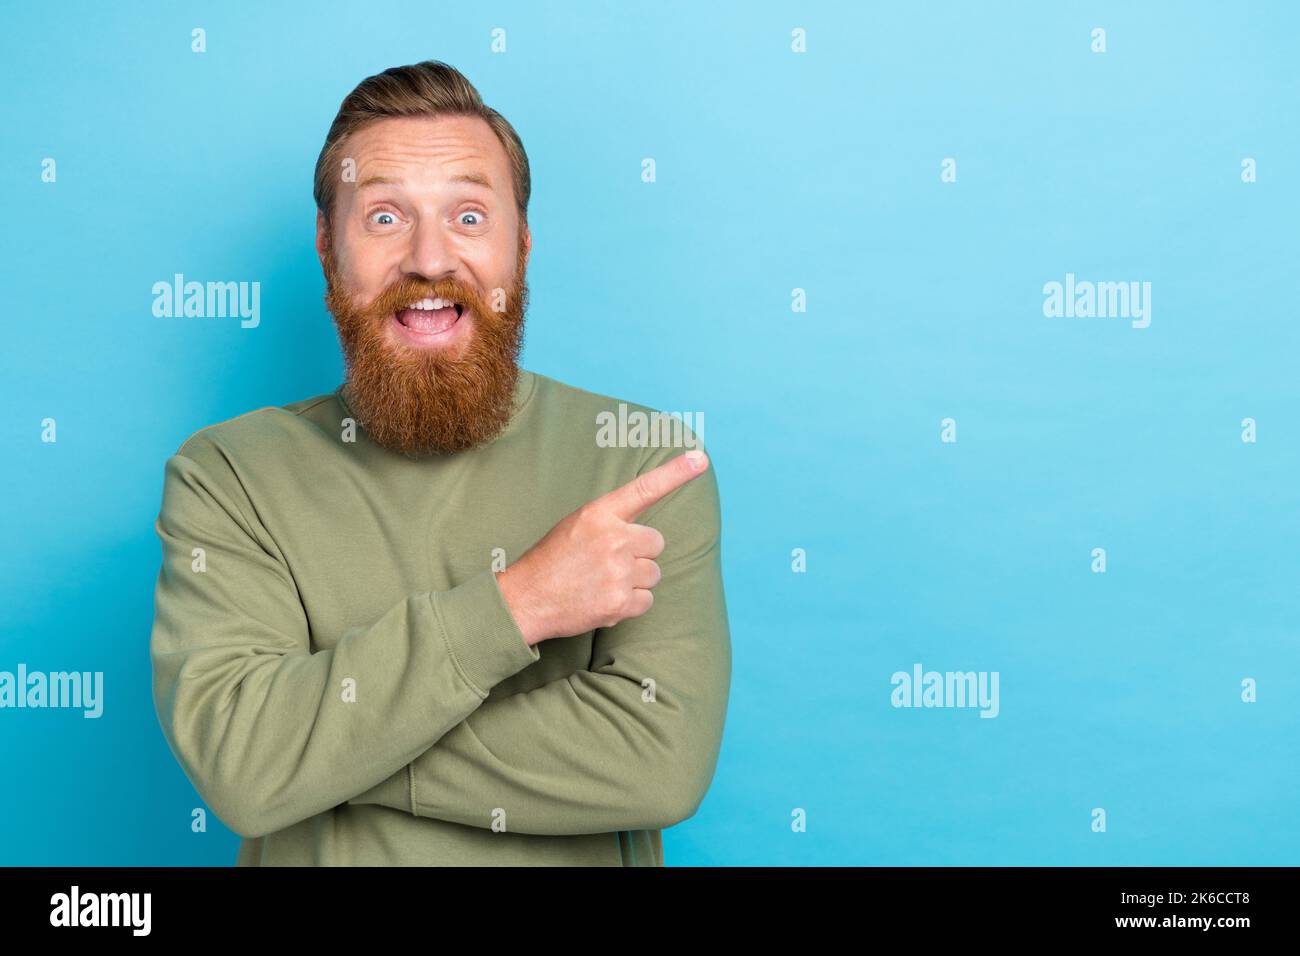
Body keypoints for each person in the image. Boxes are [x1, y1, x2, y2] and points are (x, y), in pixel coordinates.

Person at [148, 60, 731, 866]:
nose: (429, 259)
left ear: (520, 245)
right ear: (327, 249)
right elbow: (241, 764)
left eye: (468, 215)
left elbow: (663, 764)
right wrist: (520, 602)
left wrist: (324, 753)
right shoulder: (228, 477)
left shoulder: (642, 465)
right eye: (385, 218)